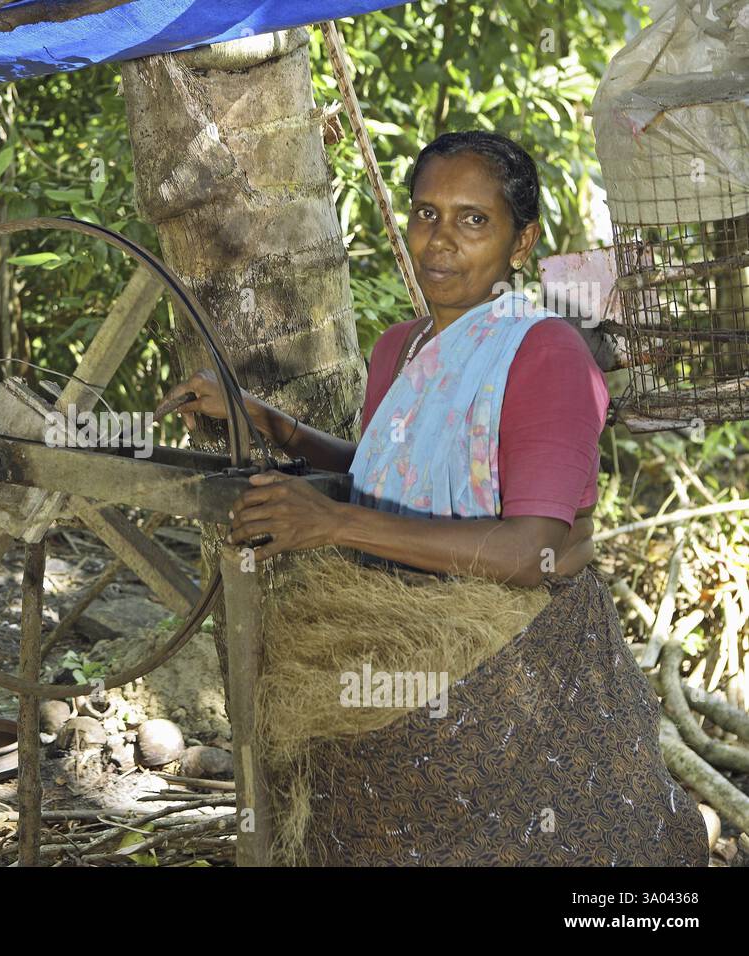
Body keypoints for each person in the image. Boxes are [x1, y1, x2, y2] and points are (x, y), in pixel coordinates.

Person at [159, 130, 708, 865]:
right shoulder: (400, 348)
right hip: (391, 640)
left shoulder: (546, 353)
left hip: (515, 660)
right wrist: (267, 421)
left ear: (523, 243)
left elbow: (529, 550)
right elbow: (395, 473)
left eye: (473, 219)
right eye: (426, 214)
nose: (441, 241)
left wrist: (332, 523)